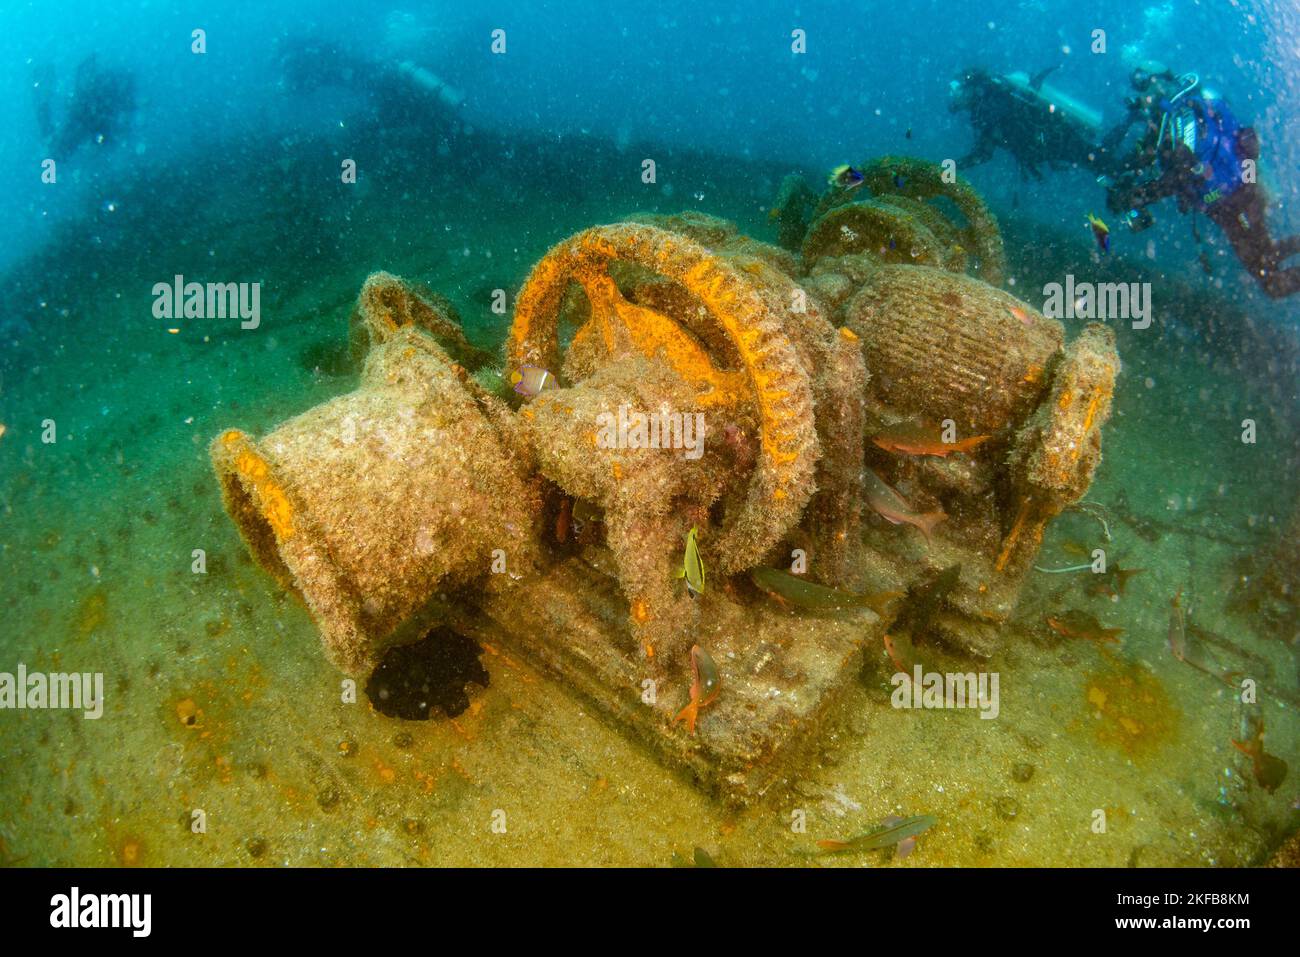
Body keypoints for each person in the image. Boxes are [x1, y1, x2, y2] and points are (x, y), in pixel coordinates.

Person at [1101, 62, 1300, 298]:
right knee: (1268, 259)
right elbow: (1162, 164)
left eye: (1142, 94)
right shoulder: (1181, 117)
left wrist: (1130, 199)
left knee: (1271, 281)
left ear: (1156, 87)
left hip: (1236, 201)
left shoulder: (1180, 116)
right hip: (1234, 202)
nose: (1141, 104)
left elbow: (1177, 177)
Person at [948, 66, 1104, 180]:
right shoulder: (992, 99)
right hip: (1050, 140)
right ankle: (1117, 166)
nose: (956, 99)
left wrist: (949, 169)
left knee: (1096, 160)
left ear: (970, 89)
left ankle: (1120, 168)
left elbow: (983, 153)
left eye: (958, 93)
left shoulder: (989, 105)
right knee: (1094, 160)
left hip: (1050, 140)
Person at [32, 54, 137, 156]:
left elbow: (109, 129)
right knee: (57, 149)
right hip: (85, 116)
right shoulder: (100, 93)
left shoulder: (101, 94)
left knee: (57, 148)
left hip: (87, 117)